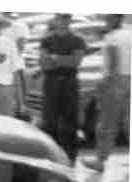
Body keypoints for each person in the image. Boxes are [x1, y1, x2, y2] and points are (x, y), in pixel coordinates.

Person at [82, 14, 131, 172]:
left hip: (115, 80)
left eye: (108, 18)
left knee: (107, 123)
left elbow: (113, 61)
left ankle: (100, 161)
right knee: (128, 122)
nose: (106, 21)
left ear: (116, 19)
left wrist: (108, 82)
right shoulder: (129, 33)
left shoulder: (112, 37)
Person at [39, 13, 87, 163]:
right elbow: (43, 63)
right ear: (56, 19)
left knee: (70, 121)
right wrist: (64, 59)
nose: (63, 20)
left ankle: (70, 158)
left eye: (66, 17)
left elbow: (76, 62)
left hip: (69, 82)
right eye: (60, 17)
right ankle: (51, 157)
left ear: (70, 20)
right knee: (49, 121)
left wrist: (54, 58)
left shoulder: (77, 40)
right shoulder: (47, 40)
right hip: (51, 82)